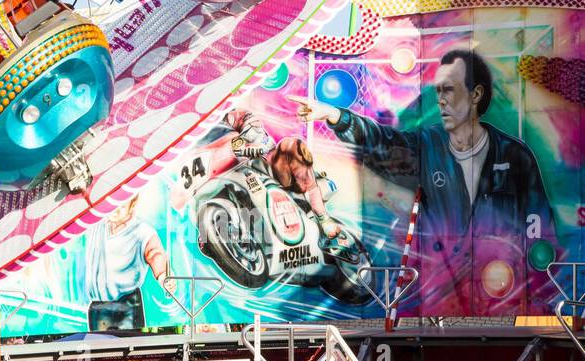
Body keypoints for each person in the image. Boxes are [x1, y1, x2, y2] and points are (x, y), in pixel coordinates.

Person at [294, 48, 558, 311]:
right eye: (439, 91)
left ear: (476, 94)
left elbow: (540, 233)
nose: (441, 100)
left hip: (504, 301)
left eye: (449, 90)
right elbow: (382, 144)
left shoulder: (515, 156)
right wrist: (337, 117)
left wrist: (540, 301)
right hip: (442, 304)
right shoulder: (428, 146)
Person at [221, 109, 340, 238]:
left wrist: (253, 149)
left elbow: (261, 138)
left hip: (272, 173)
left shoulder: (237, 115)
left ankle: (323, 218)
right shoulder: (208, 129)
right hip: (247, 175)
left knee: (289, 146)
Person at [85, 194, 175, 330]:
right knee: (101, 347)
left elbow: (155, 253)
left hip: (126, 305)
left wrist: (163, 276)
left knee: (127, 348)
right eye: (112, 204)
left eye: (121, 206)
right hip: (99, 306)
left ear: (132, 206)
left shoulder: (141, 230)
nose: (114, 210)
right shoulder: (99, 224)